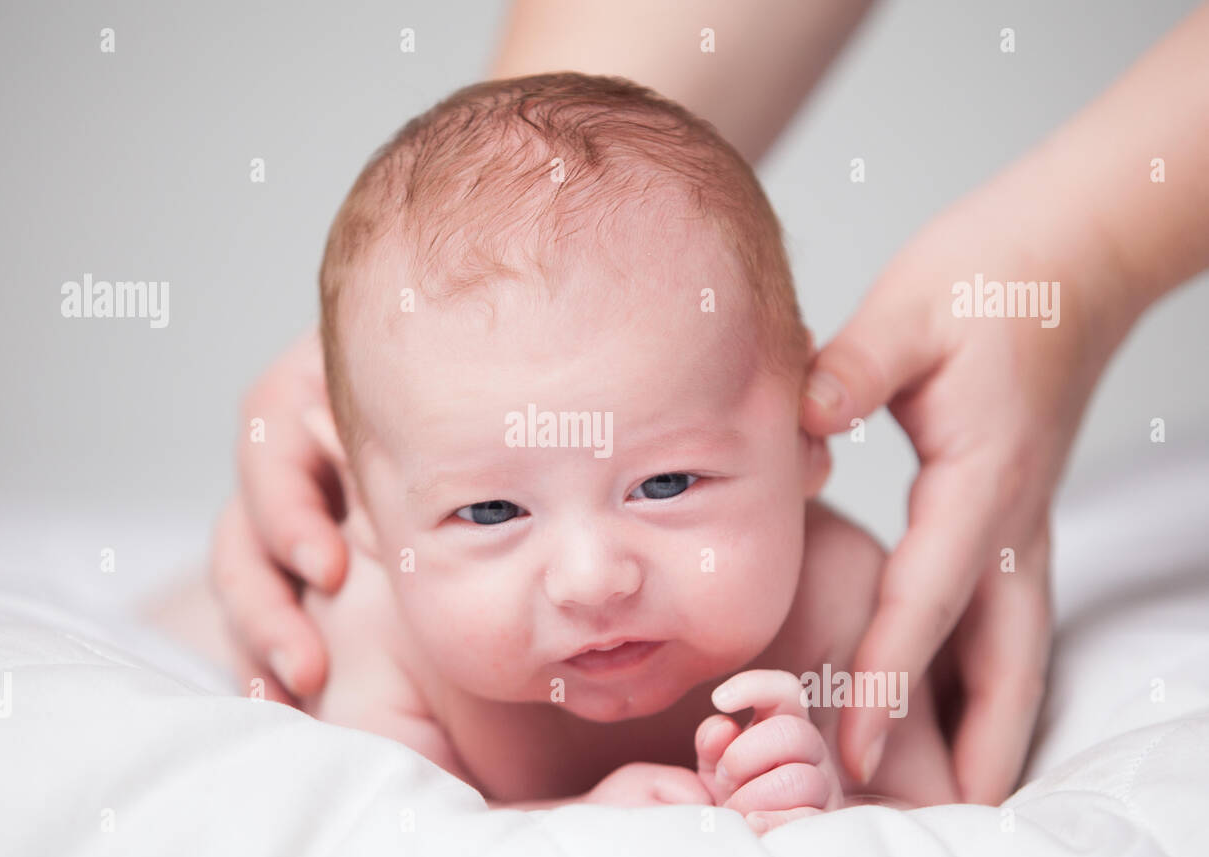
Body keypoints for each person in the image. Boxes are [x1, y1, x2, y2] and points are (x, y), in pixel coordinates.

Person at [209, 1, 1209, 804]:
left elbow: (930, 820)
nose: (593, 578)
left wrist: (823, 793)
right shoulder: (384, 628)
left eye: (666, 481)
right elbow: (380, 831)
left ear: (809, 434)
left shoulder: (842, 607)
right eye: (489, 510)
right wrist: (576, 829)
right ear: (370, 515)